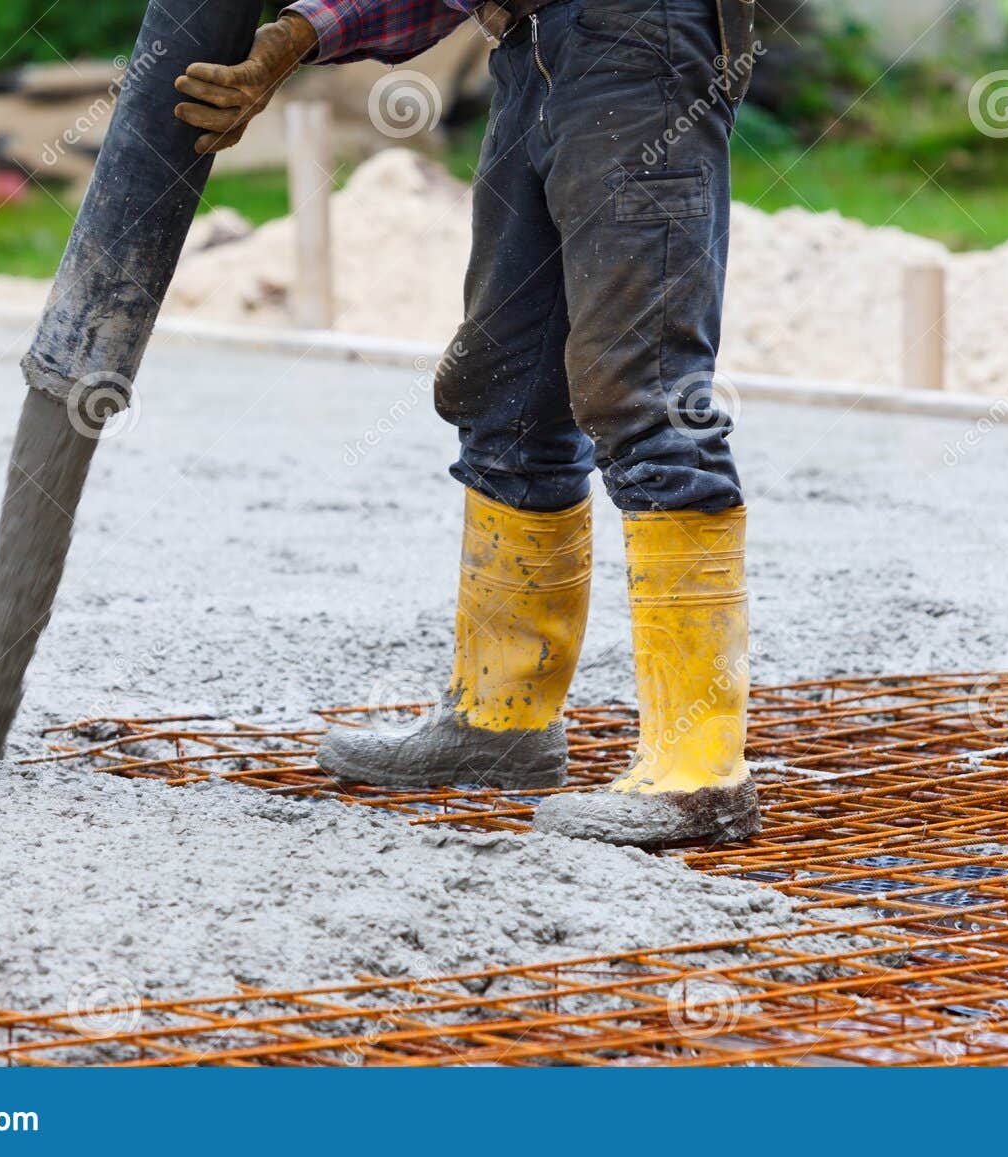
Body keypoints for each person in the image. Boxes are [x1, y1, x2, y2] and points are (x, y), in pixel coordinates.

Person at [175, 0, 760, 846]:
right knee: (504, 393)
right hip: (532, 45)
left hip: (642, 42)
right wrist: (299, 35)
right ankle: (502, 719)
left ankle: (700, 772)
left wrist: (296, 36)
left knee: (648, 395)